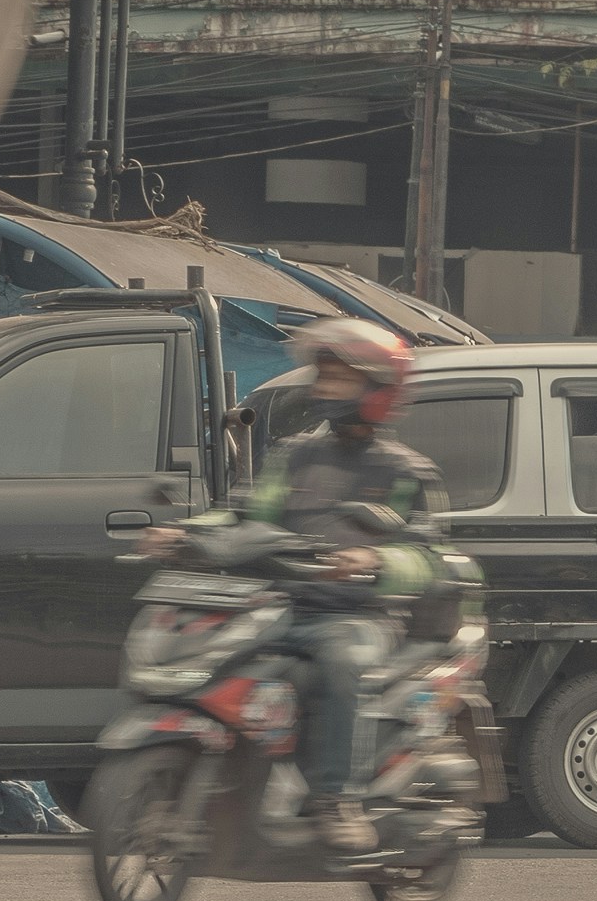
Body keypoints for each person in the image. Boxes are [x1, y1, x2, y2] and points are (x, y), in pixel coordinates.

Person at [140, 318, 444, 854]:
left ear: (378, 389)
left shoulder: (405, 472)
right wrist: (182, 533)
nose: (324, 389)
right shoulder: (296, 454)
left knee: (342, 663)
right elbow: (244, 515)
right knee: (214, 656)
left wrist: (370, 558)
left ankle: (338, 799)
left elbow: (426, 556)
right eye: (322, 377)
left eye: (340, 379)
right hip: (283, 606)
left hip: (356, 617)